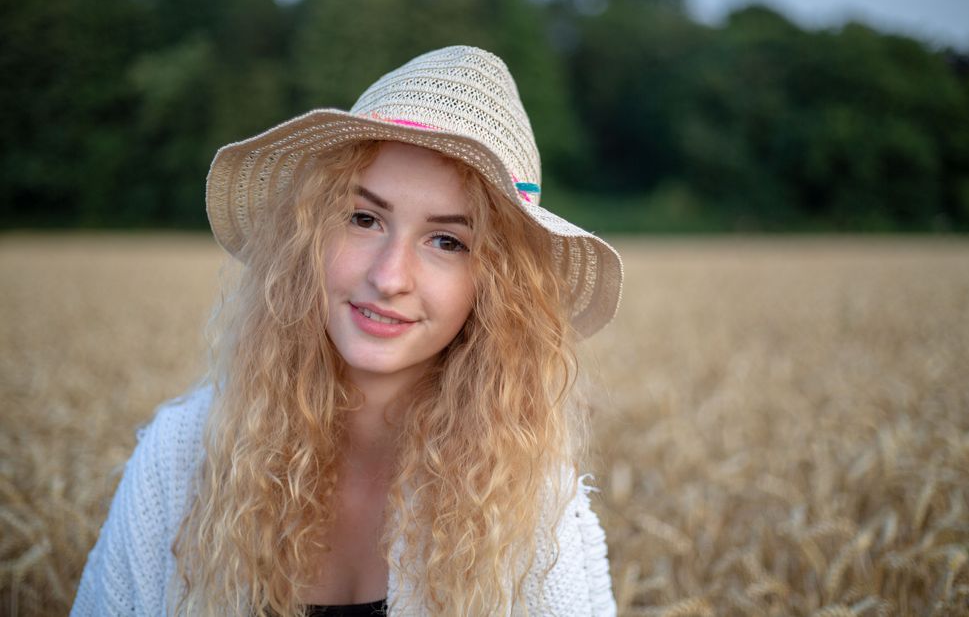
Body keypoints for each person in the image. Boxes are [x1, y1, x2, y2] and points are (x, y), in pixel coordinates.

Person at [71, 45, 623, 616]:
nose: (389, 277)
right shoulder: (183, 456)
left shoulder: (531, 501)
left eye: (447, 241)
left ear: (498, 286)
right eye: (364, 219)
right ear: (309, 235)